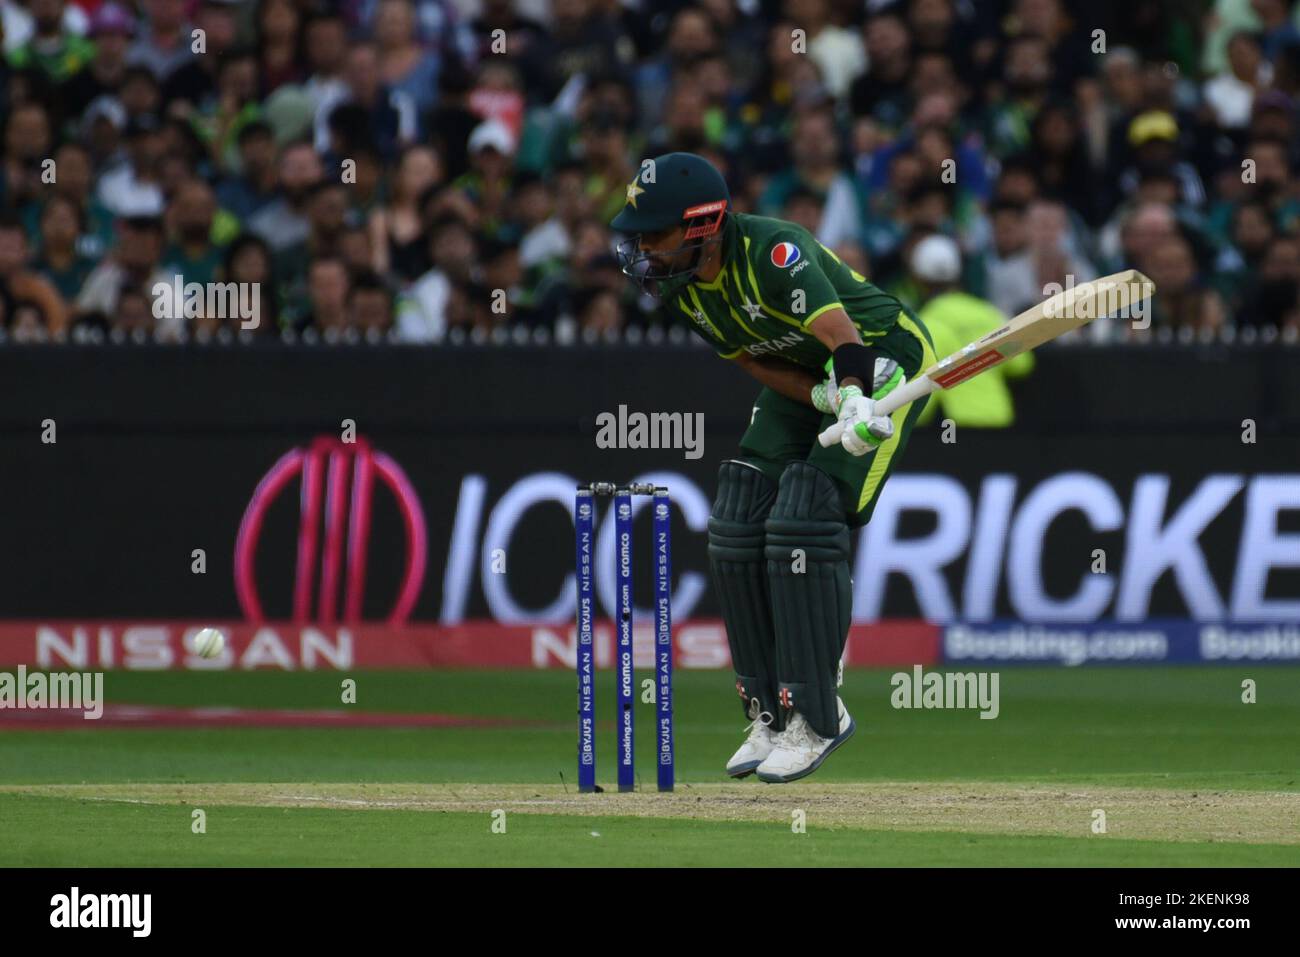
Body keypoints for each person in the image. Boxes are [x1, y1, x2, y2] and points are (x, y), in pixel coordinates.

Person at [610, 152, 935, 783]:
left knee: (806, 518)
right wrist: (818, 397)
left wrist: (851, 396)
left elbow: (846, 340)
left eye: (655, 232)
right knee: (737, 518)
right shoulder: (681, 287)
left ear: (703, 226)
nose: (643, 245)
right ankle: (770, 712)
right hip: (815, 380)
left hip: (881, 361)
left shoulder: (773, 254)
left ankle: (816, 714)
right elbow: (752, 361)